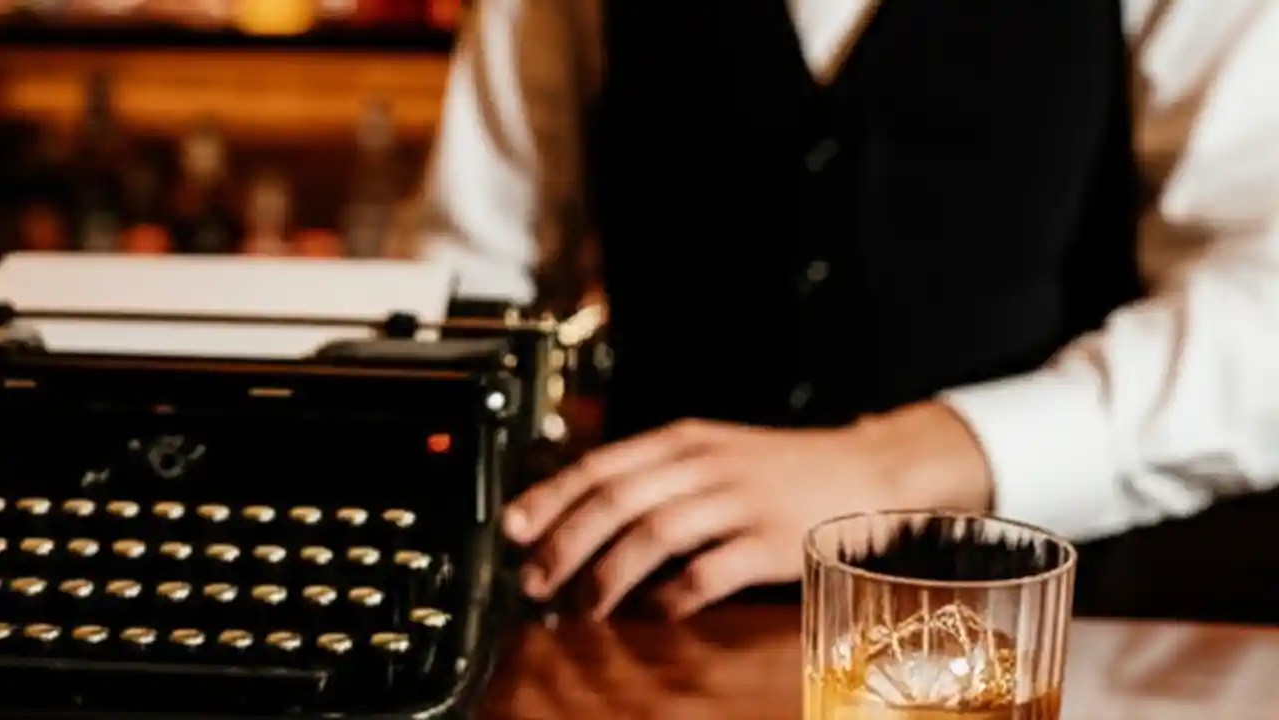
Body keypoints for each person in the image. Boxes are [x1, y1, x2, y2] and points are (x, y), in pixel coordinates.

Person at [420, 0, 1279, 620]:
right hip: (644, 629)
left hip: (1036, 642)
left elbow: (1264, 309)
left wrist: (901, 466)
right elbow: (473, 276)